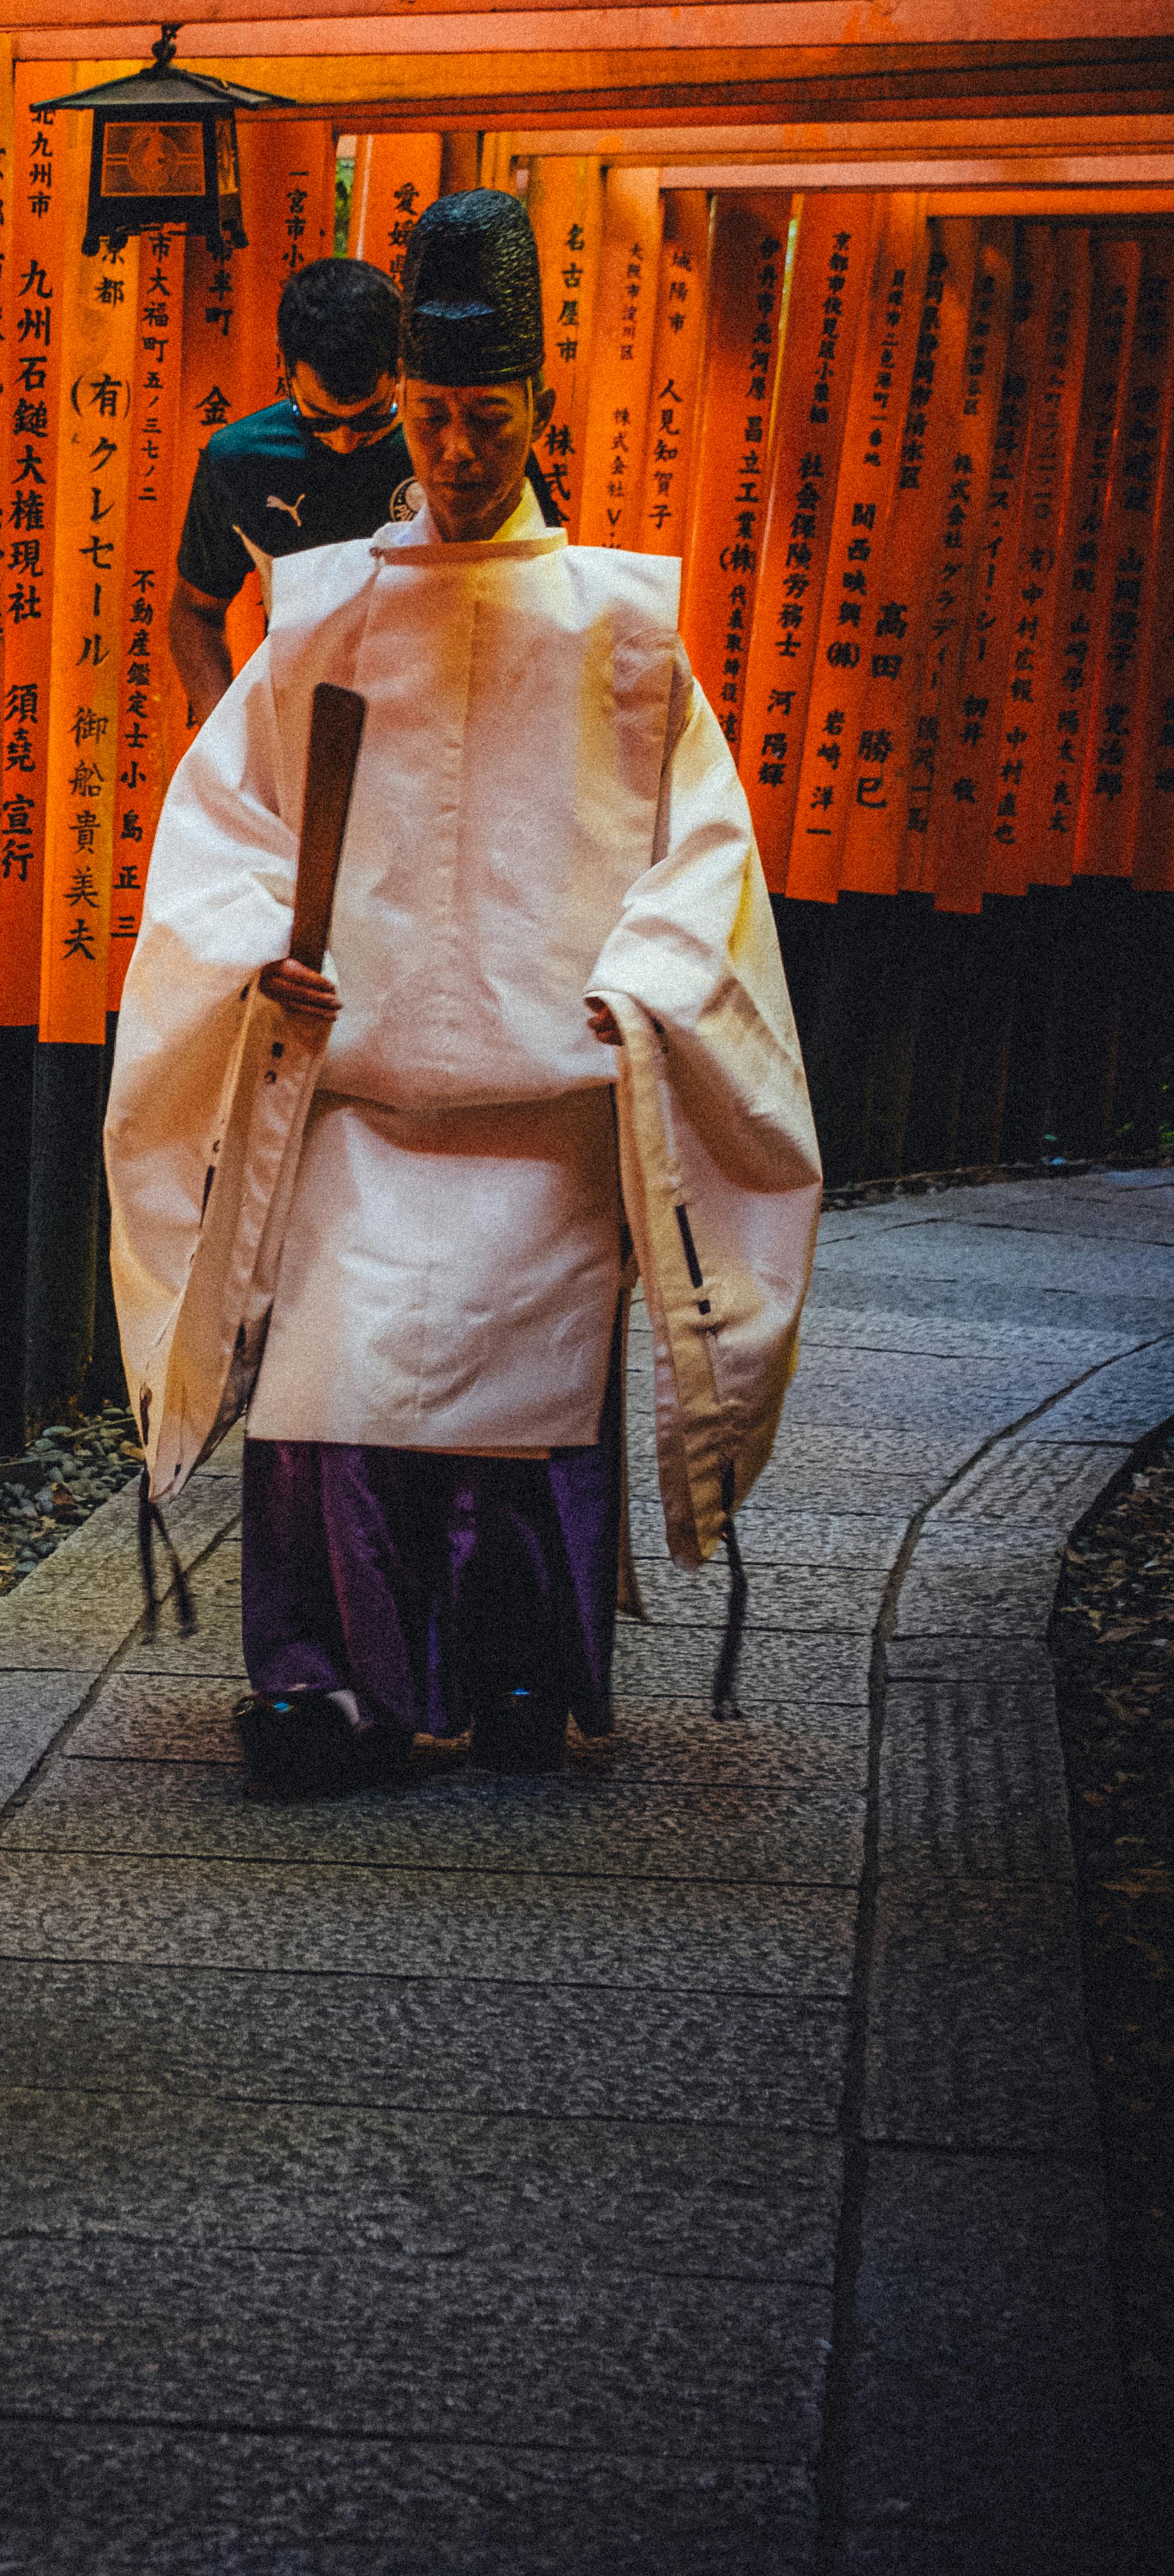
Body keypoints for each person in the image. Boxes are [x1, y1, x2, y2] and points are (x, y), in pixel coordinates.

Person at [106, 189, 820, 1797]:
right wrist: (248, 955)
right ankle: (329, 1687)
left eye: (486, 419)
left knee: (523, 1413)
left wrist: (642, 984)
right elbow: (222, 828)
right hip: (360, 1101)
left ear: (535, 415)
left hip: (542, 1104)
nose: (457, 448)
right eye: (433, 418)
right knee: (329, 1399)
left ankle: (512, 1673)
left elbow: (702, 861)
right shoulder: (323, 609)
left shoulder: (624, 629)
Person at [167, 255, 412, 728]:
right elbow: (196, 610)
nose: (343, 442)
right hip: (301, 722)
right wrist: (226, 741)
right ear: (285, 365)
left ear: (401, 366)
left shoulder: (448, 448)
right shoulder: (241, 460)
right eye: (318, 420)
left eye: (370, 419)